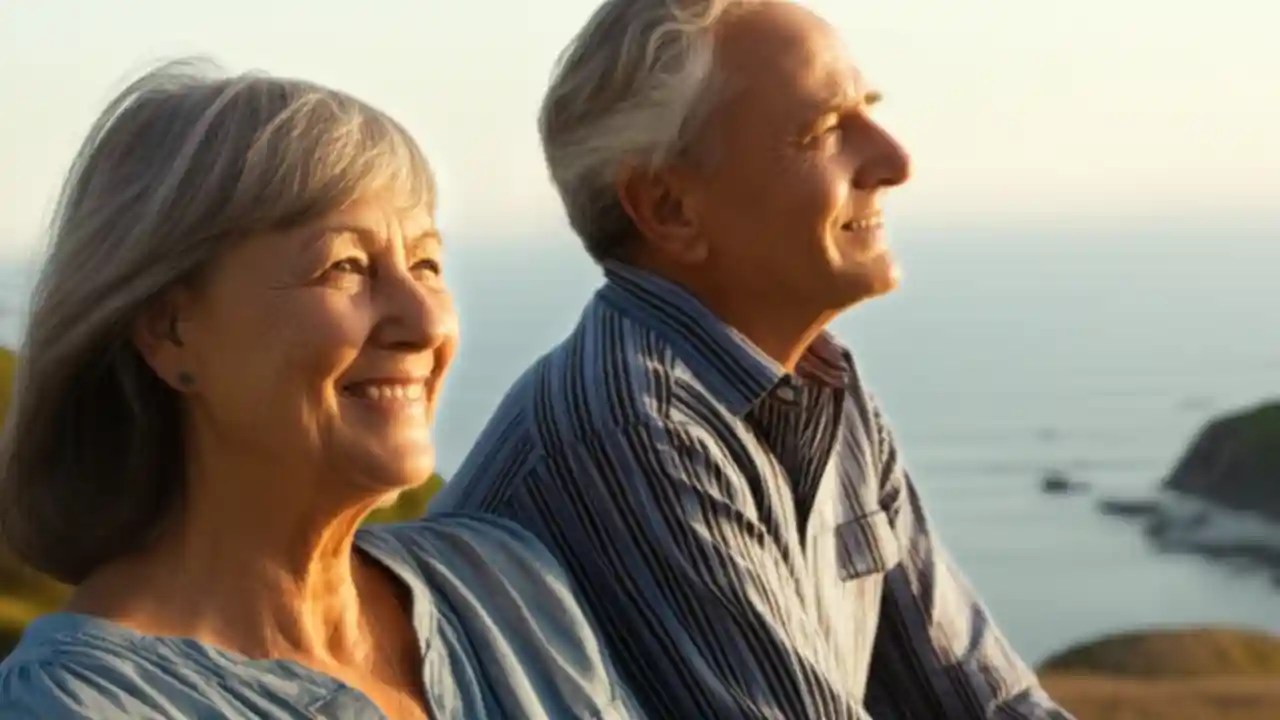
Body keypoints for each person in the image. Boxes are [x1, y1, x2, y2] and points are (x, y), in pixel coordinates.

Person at [430, 1, 1073, 718]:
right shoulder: (637, 426)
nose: (894, 161)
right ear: (670, 208)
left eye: (869, 110)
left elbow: (985, 701)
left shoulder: (824, 389)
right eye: (825, 130)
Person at [0, 60, 637, 719]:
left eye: (425, 263)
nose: (425, 323)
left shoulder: (505, 588)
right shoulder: (80, 705)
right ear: (171, 330)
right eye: (346, 266)